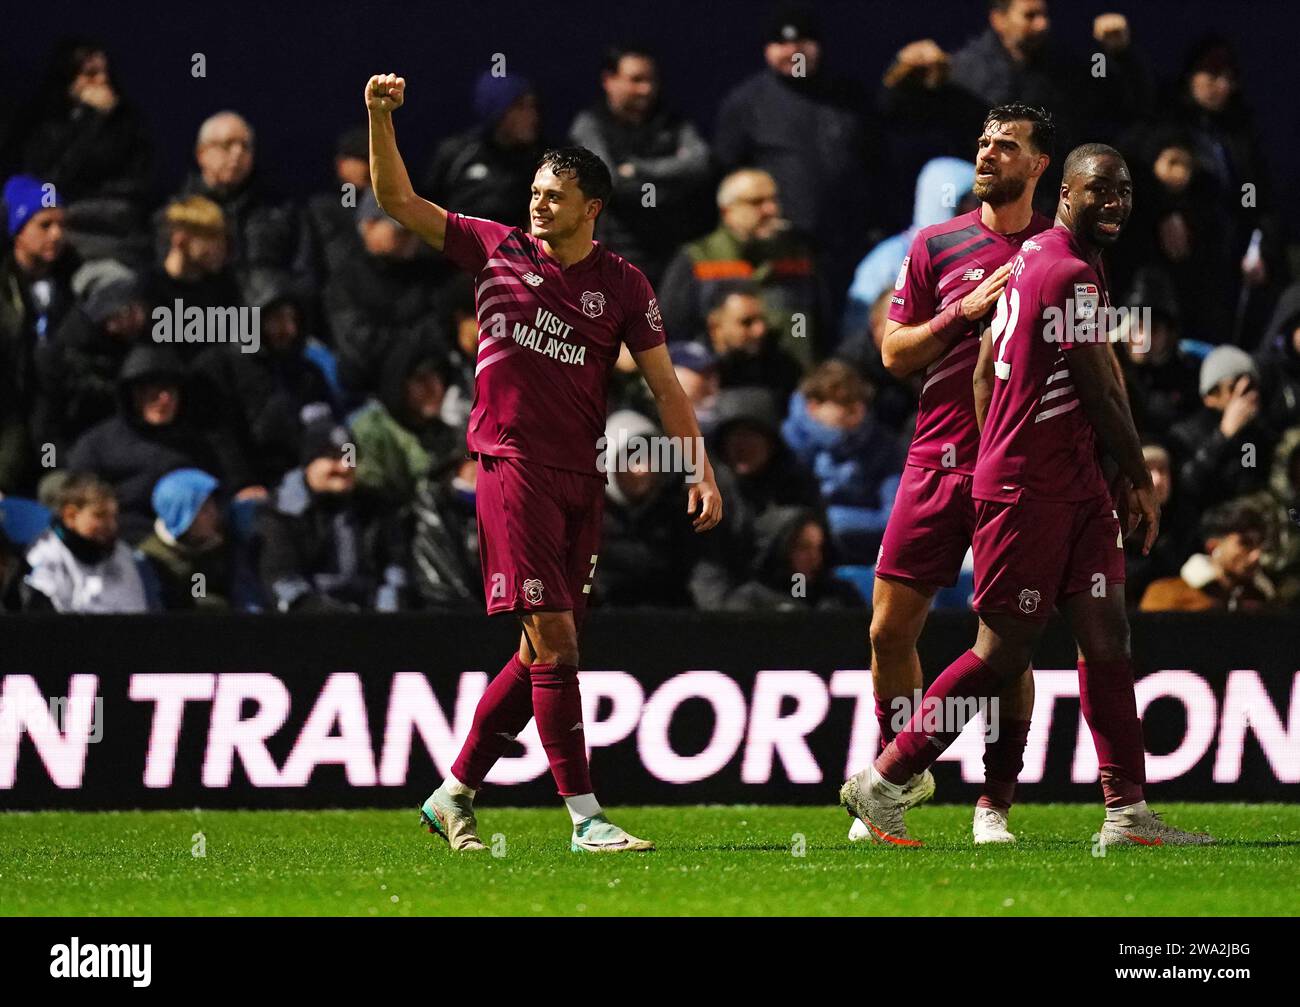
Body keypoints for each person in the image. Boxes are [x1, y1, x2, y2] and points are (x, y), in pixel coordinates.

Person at [365, 72, 721, 853]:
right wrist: (380, 118)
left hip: (578, 478)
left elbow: (665, 384)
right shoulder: (493, 248)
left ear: (592, 206)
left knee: (537, 656)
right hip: (510, 466)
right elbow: (397, 201)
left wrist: (697, 466)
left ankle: (452, 791)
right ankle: (586, 818)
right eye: (533, 191)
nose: (537, 204)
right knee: (557, 642)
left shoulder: (623, 284)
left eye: (554, 196)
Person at [843, 143, 1212, 848]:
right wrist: (1133, 475)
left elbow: (985, 367)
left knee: (1107, 636)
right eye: (1099, 191)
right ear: (1064, 193)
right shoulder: (1067, 270)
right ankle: (887, 778)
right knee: (1005, 649)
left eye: (1124, 192)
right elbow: (1102, 388)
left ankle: (1126, 813)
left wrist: (1007, 441)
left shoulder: (1039, 259)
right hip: (1031, 490)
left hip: (1067, 484)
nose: (1114, 204)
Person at [848, 104, 1054, 844]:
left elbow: (1095, 360)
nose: (989, 154)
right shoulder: (936, 243)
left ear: (1039, 167)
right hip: (937, 456)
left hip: (1023, 463)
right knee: (887, 629)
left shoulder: (1063, 251)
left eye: (1008, 146)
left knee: (1006, 639)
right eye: (984, 143)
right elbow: (894, 352)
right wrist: (963, 312)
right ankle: (895, 781)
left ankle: (993, 804)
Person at [713, 5, 875, 314]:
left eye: (802, 43)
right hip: (780, 256)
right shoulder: (746, 103)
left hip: (849, 249)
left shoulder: (849, 96)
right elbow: (725, 177)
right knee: (794, 336)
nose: (792, 51)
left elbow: (877, 166)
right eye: (781, 43)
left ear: (818, 46)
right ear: (766, 50)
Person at [67, 345, 258, 544]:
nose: (164, 399)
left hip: (197, 541)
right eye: (154, 391)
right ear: (133, 395)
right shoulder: (96, 445)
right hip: (130, 544)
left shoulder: (197, 441)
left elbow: (222, 493)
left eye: (171, 390)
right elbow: (84, 503)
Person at [568, 45, 711, 285]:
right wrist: (672, 184)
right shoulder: (589, 125)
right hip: (615, 256)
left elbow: (700, 165)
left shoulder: (671, 123)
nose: (646, 89)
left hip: (671, 255)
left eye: (651, 80)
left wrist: (638, 168)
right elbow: (607, 182)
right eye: (636, 80)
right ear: (609, 80)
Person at [658, 169, 823, 370]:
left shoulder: (797, 256)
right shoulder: (698, 259)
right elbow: (671, 327)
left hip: (790, 380)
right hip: (722, 383)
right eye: (756, 202)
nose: (770, 209)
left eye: (773, 200)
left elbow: (821, 319)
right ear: (728, 211)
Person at [256, 418, 410, 612]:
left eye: (349, 457)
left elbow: (394, 567)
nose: (345, 467)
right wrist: (337, 618)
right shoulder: (280, 512)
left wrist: (387, 614)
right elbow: (283, 581)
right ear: (309, 463)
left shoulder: (375, 506)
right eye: (333, 457)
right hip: (311, 625)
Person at [781, 360, 902, 565]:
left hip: (870, 556)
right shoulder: (788, 444)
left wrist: (836, 521)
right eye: (843, 401)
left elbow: (894, 517)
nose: (856, 409)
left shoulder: (883, 445)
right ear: (813, 406)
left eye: (859, 400)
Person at [1, 174, 77, 493]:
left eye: (62, 224)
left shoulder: (77, 283)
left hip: (60, 426)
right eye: (44, 225)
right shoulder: (5, 287)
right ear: (18, 231)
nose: (57, 234)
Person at [422, 71, 544, 231]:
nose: (531, 116)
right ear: (498, 112)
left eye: (532, 107)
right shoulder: (458, 153)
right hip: (454, 249)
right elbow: (426, 210)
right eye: (520, 107)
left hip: (513, 253)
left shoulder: (543, 162)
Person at [24, 472, 154, 613]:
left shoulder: (123, 554)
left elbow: (135, 612)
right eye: (100, 515)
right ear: (71, 516)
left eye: (113, 516)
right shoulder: (43, 554)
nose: (111, 525)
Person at [1167, 345, 1276, 513]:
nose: (1247, 396)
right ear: (1211, 396)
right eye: (1234, 388)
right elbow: (1189, 486)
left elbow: (1254, 486)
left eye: (1250, 386)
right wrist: (1223, 436)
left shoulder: (1256, 434)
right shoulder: (1185, 434)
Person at [1139, 498, 1273, 612]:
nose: (1257, 555)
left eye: (1259, 545)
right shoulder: (1166, 595)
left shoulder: (1262, 601)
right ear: (1213, 546)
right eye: (1245, 543)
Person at [135, 467, 232, 610]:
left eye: (213, 505)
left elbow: (201, 593)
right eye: (204, 509)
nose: (214, 514)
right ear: (182, 515)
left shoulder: (213, 548)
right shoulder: (150, 560)